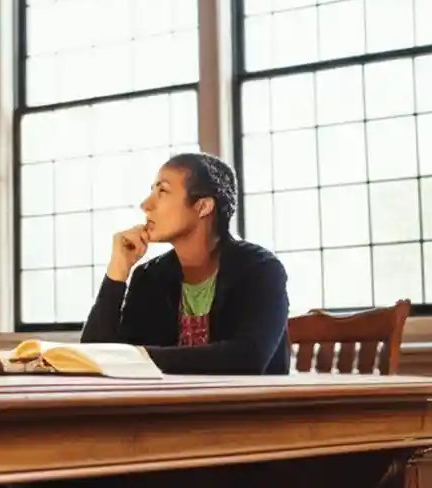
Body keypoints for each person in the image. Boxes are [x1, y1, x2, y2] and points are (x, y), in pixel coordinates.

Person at [80, 152, 290, 374]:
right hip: (168, 406)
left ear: (203, 207)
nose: (146, 205)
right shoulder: (150, 276)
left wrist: (134, 357)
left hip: (250, 406)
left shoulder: (260, 269)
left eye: (162, 191)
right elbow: (95, 358)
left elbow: (248, 357)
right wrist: (118, 269)